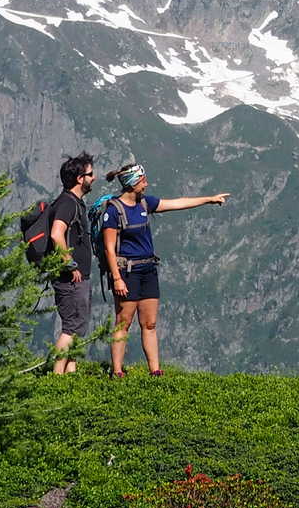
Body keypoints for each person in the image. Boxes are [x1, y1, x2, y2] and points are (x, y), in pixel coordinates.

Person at [99, 161, 229, 376]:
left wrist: (208, 199)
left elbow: (177, 203)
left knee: (149, 323)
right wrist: (116, 278)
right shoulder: (114, 211)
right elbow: (109, 248)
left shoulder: (144, 204)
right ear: (132, 183)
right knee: (123, 322)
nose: (147, 184)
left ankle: (155, 370)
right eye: (142, 180)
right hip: (126, 272)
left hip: (148, 269)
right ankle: (117, 371)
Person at [47, 152, 97, 375]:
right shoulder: (67, 203)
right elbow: (56, 234)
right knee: (70, 328)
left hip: (79, 276)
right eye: (90, 174)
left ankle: (70, 375)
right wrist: (71, 264)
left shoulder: (74, 202)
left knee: (78, 327)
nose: (93, 178)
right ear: (80, 178)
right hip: (71, 277)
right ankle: (56, 378)